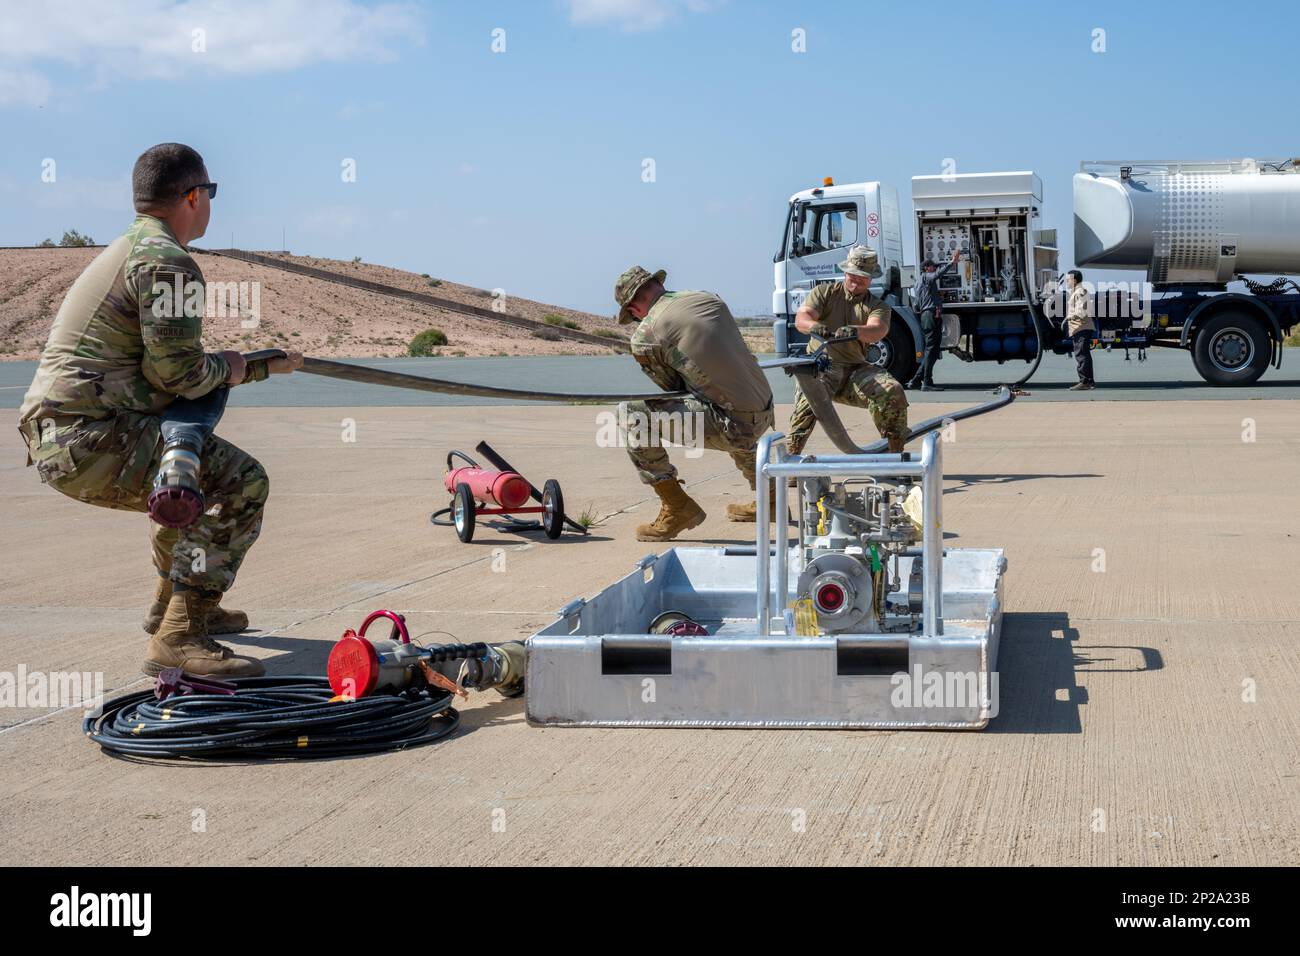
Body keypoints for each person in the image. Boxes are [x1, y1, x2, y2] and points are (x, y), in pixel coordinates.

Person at [16, 143, 303, 678]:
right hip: (88, 437)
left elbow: (163, 374)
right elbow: (181, 377)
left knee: (182, 469)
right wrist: (243, 366)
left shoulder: (131, 247)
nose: (210, 204)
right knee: (241, 482)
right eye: (210, 193)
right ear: (193, 196)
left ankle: (175, 602)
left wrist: (254, 364)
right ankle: (179, 634)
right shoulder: (168, 262)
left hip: (68, 432)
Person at [613, 266, 775, 542]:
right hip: (764, 409)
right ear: (656, 285)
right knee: (723, 400)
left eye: (632, 316)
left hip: (735, 424)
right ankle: (770, 501)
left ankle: (677, 507)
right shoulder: (707, 298)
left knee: (630, 413)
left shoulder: (645, 334)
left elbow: (673, 389)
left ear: (633, 307)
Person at [785, 245, 909, 459]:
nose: (856, 281)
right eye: (853, 275)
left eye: (863, 278)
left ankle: (895, 457)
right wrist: (814, 327)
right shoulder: (824, 293)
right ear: (845, 272)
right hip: (821, 368)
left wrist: (856, 331)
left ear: (871, 279)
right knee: (807, 405)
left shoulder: (877, 306)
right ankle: (790, 462)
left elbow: (877, 329)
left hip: (855, 371)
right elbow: (802, 318)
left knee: (892, 390)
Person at [908, 247, 961, 390]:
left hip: (926, 316)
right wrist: (952, 262)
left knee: (930, 349)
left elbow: (916, 306)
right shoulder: (926, 277)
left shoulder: (918, 283)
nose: (935, 268)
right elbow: (937, 275)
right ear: (926, 268)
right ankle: (927, 382)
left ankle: (915, 381)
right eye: (933, 266)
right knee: (932, 349)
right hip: (931, 315)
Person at [1065, 269, 1096, 390]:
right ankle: (1089, 381)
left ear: (1074, 280)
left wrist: (1069, 317)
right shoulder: (1078, 291)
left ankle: (1084, 382)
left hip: (1080, 327)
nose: (1067, 282)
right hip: (1080, 327)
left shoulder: (1079, 292)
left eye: (1068, 280)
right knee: (1084, 354)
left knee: (1081, 355)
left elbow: (1081, 311)